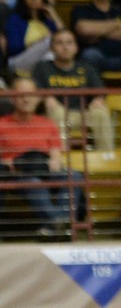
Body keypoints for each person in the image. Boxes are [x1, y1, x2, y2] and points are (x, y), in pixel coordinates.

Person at [0, 77, 78, 233]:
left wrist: (54, 160)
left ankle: (53, 226)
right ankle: (60, 223)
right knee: (33, 181)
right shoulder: (1, 124)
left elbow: (56, 153)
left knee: (74, 176)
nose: (26, 99)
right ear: (12, 98)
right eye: (20, 94)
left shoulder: (47, 123)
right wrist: (8, 161)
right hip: (18, 173)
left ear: (38, 98)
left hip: (45, 168)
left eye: (30, 94)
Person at [32, 28, 115, 149]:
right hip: (55, 114)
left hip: (82, 115)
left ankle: (105, 158)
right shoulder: (42, 68)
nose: (65, 47)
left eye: (69, 43)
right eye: (59, 43)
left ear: (76, 48)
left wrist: (99, 99)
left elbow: (100, 91)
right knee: (57, 113)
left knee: (101, 113)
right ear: (52, 48)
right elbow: (34, 88)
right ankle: (62, 160)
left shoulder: (87, 68)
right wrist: (46, 97)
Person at [7, 0, 63, 76]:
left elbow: (64, 36)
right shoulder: (15, 19)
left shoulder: (47, 19)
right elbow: (14, 47)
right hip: (18, 61)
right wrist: (40, 42)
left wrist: (54, 15)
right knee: (51, 41)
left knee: (51, 54)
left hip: (44, 60)